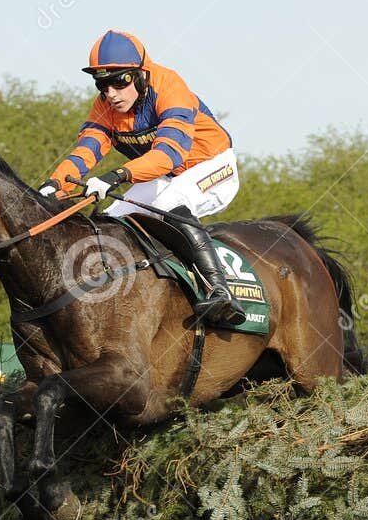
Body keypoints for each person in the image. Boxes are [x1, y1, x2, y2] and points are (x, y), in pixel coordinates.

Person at [39, 30, 243, 325]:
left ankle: (221, 292)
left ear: (141, 75)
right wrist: (53, 187)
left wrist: (117, 175)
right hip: (166, 175)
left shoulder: (171, 87)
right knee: (111, 219)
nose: (111, 93)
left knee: (171, 202)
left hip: (213, 166)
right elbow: (87, 150)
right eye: (102, 84)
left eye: (120, 81)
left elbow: (169, 154)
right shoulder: (105, 106)